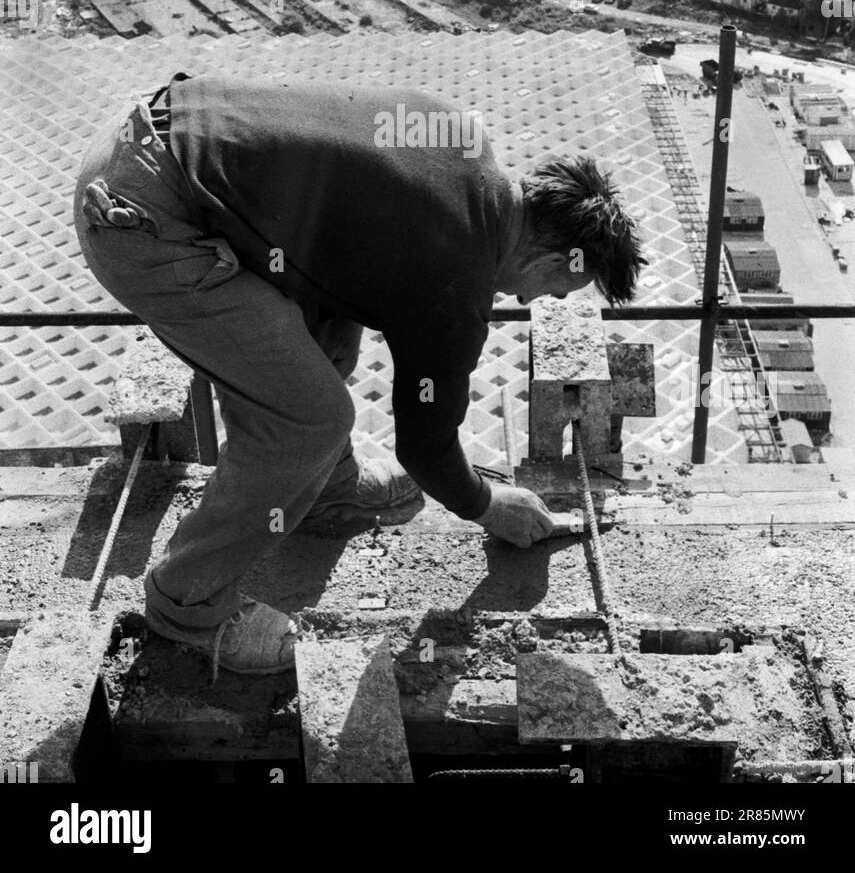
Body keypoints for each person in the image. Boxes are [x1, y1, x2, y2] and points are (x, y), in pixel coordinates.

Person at [74, 74, 644, 678]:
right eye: (557, 288)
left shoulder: (463, 146)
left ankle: (328, 489)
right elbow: (425, 445)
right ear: (551, 257)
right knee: (308, 418)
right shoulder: (456, 273)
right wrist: (486, 503)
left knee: (327, 342)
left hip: (146, 141)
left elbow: (338, 224)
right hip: (143, 221)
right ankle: (187, 606)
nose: (537, 300)